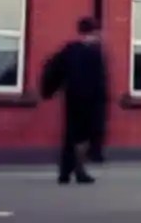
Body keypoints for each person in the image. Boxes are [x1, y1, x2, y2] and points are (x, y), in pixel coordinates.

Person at [42, 17, 110, 184]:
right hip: (89, 100)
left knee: (70, 135)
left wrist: (50, 90)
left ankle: (65, 172)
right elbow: (100, 80)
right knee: (84, 136)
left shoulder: (70, 50)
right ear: (93, 32)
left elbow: (52, 68)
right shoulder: (94, 53)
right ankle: (79, 171)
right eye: (97, 32)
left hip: (72, 98)